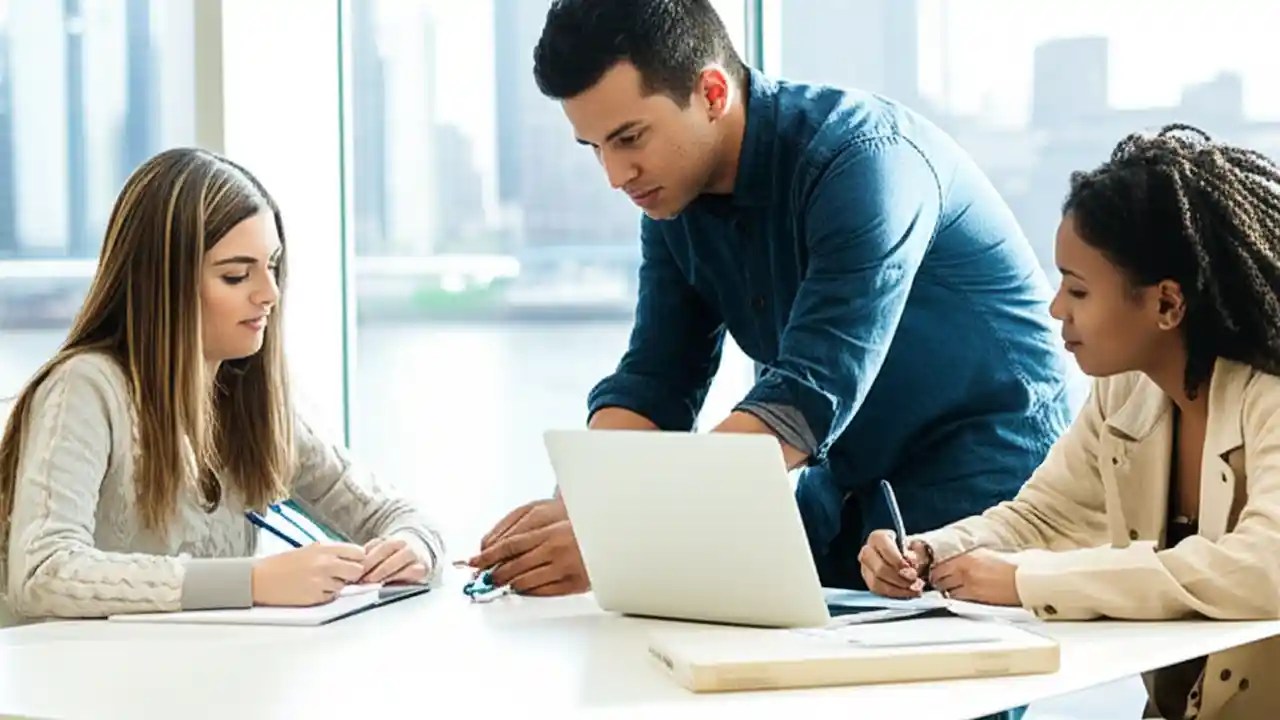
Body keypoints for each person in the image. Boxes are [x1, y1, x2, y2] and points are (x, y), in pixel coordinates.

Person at [469, 0, 1071, 596]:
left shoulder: (864, 161)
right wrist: (581, 503)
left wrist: (615, 532)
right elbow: (659, 378)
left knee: (920, 693)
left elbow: (807, 396)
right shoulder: (671, 192)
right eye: (595, 146)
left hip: (990, 485)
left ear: (710, 92)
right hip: (845, 489)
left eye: (629, 138)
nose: (615, 174)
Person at [858, 124, 1280, 719]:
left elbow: (1265, 569)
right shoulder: (1124, 391)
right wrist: (932, 555)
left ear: (1166, 303)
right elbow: (1047, 517)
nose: (1057, 308)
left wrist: (1027, 583)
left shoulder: (1271, 397)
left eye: (1078, 290)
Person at [0, 148, 444, 623]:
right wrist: (255, 582)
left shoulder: (250, 398)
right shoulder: (86, 388)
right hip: (78, 691)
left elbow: (395, 513)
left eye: (272, 265)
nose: (268, 293)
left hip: (204, 683)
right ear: (162, 284)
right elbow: (43, 571)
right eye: (236, 275)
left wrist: (413, 547)